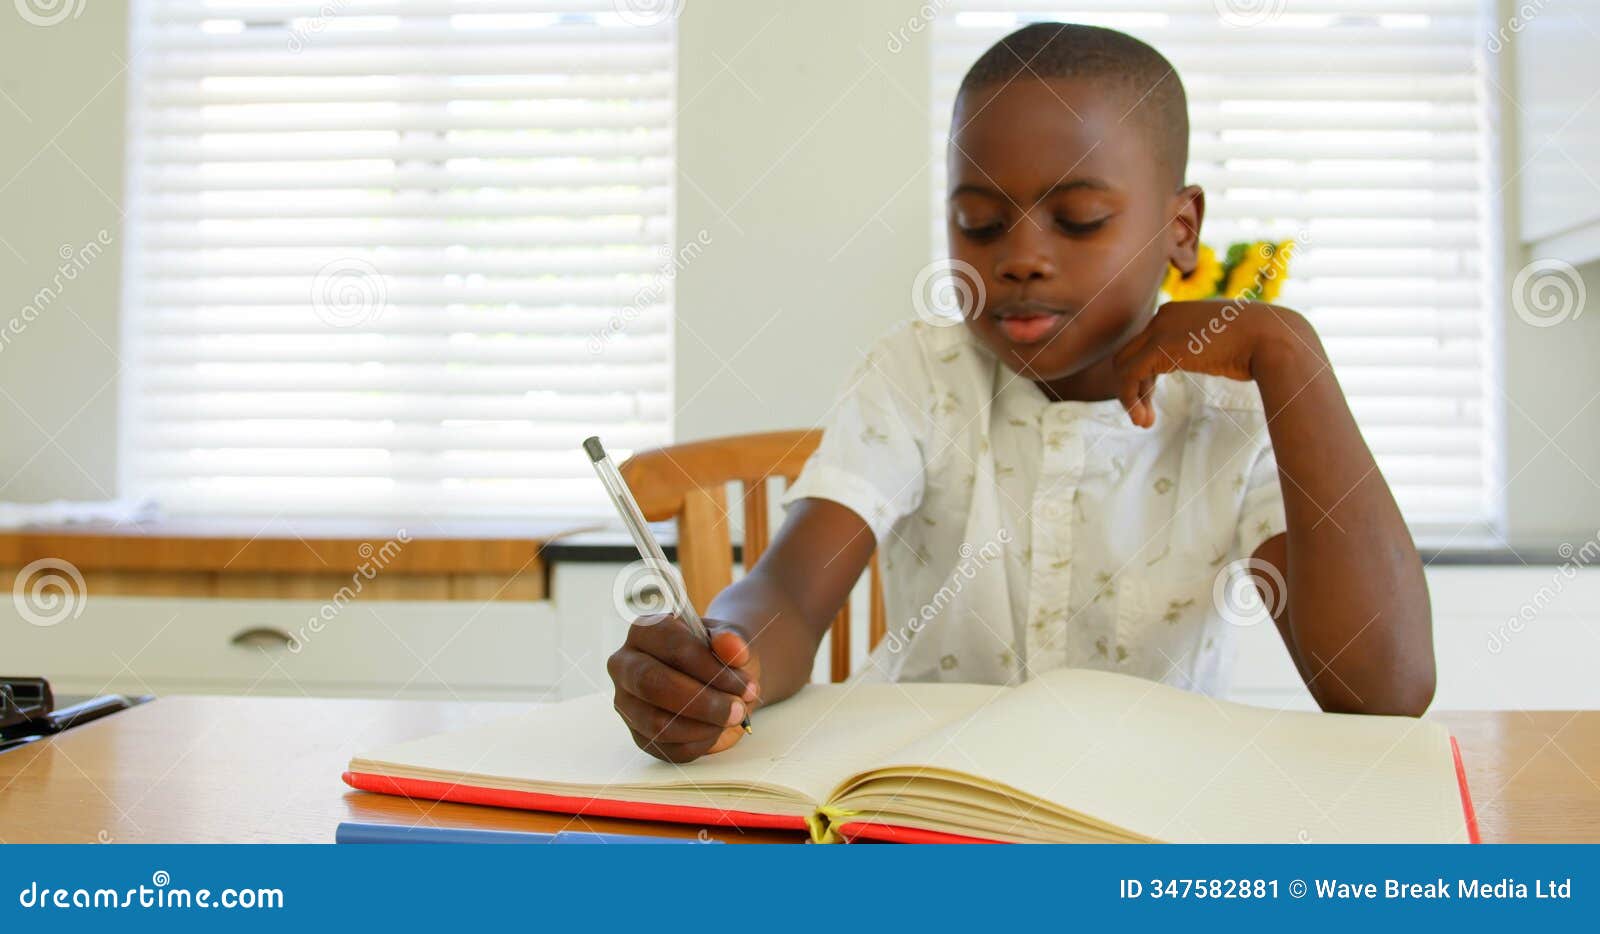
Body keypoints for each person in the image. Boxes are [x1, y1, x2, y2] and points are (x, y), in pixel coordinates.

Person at [606, 22, 1435, 763]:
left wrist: (1293, 356)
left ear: (1180, 230)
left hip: (1145, 827)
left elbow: (1382, 690)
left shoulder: (1235, 414)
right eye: (979, 223)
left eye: (1076, 220)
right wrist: (720, 655)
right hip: (928, 811)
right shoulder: (915, 377)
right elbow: (787, 592)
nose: (1022, 258)